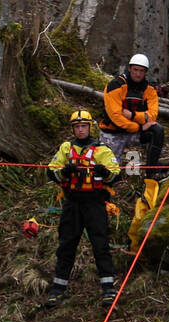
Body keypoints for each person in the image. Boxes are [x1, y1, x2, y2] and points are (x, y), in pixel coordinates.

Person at [43, 110, 121, 308]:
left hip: (95, 204)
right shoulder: (66, 148)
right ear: (73, 129)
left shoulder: (101, 149)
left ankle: (108, 289)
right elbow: (51, 172)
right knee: (66, 245)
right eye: (77, 127)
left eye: (83, 126)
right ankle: (58, 290)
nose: (80, 130)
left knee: (100, 245)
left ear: (89, 127)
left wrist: (104, 172)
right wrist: (64, 171)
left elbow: (116, 175)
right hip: (72, 203)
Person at [99, 54, 166, 180]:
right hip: (113, 133)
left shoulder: (150, 89)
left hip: (133, 134)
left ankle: (150, 173)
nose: (138, 74)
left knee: (157, 130)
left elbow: (152, 115)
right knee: (112, 175)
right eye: (135, 70)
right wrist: (139, 126)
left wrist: (133, 115)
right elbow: (116, 117)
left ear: (146, 72)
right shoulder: (116, 85)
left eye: (142, 71)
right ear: (129, 69)